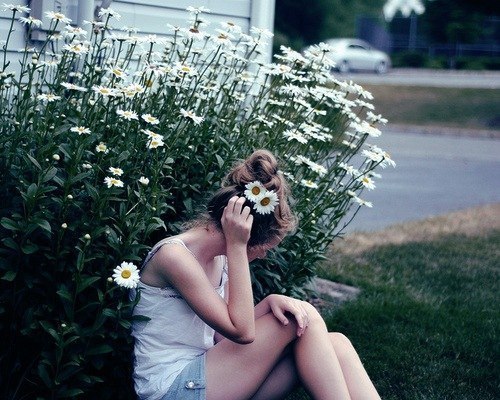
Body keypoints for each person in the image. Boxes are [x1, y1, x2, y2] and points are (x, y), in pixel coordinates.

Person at [131, 149, 381, 400]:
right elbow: (242, 332)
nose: (263, 256)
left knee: (337, 344)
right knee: (301, 318)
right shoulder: (174, 257)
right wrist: (237, 247)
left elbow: (222, 334)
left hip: (208, 376)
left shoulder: (221, 258)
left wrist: (270, 301)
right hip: (172, 388)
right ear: (244, 235)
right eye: (265, 249)